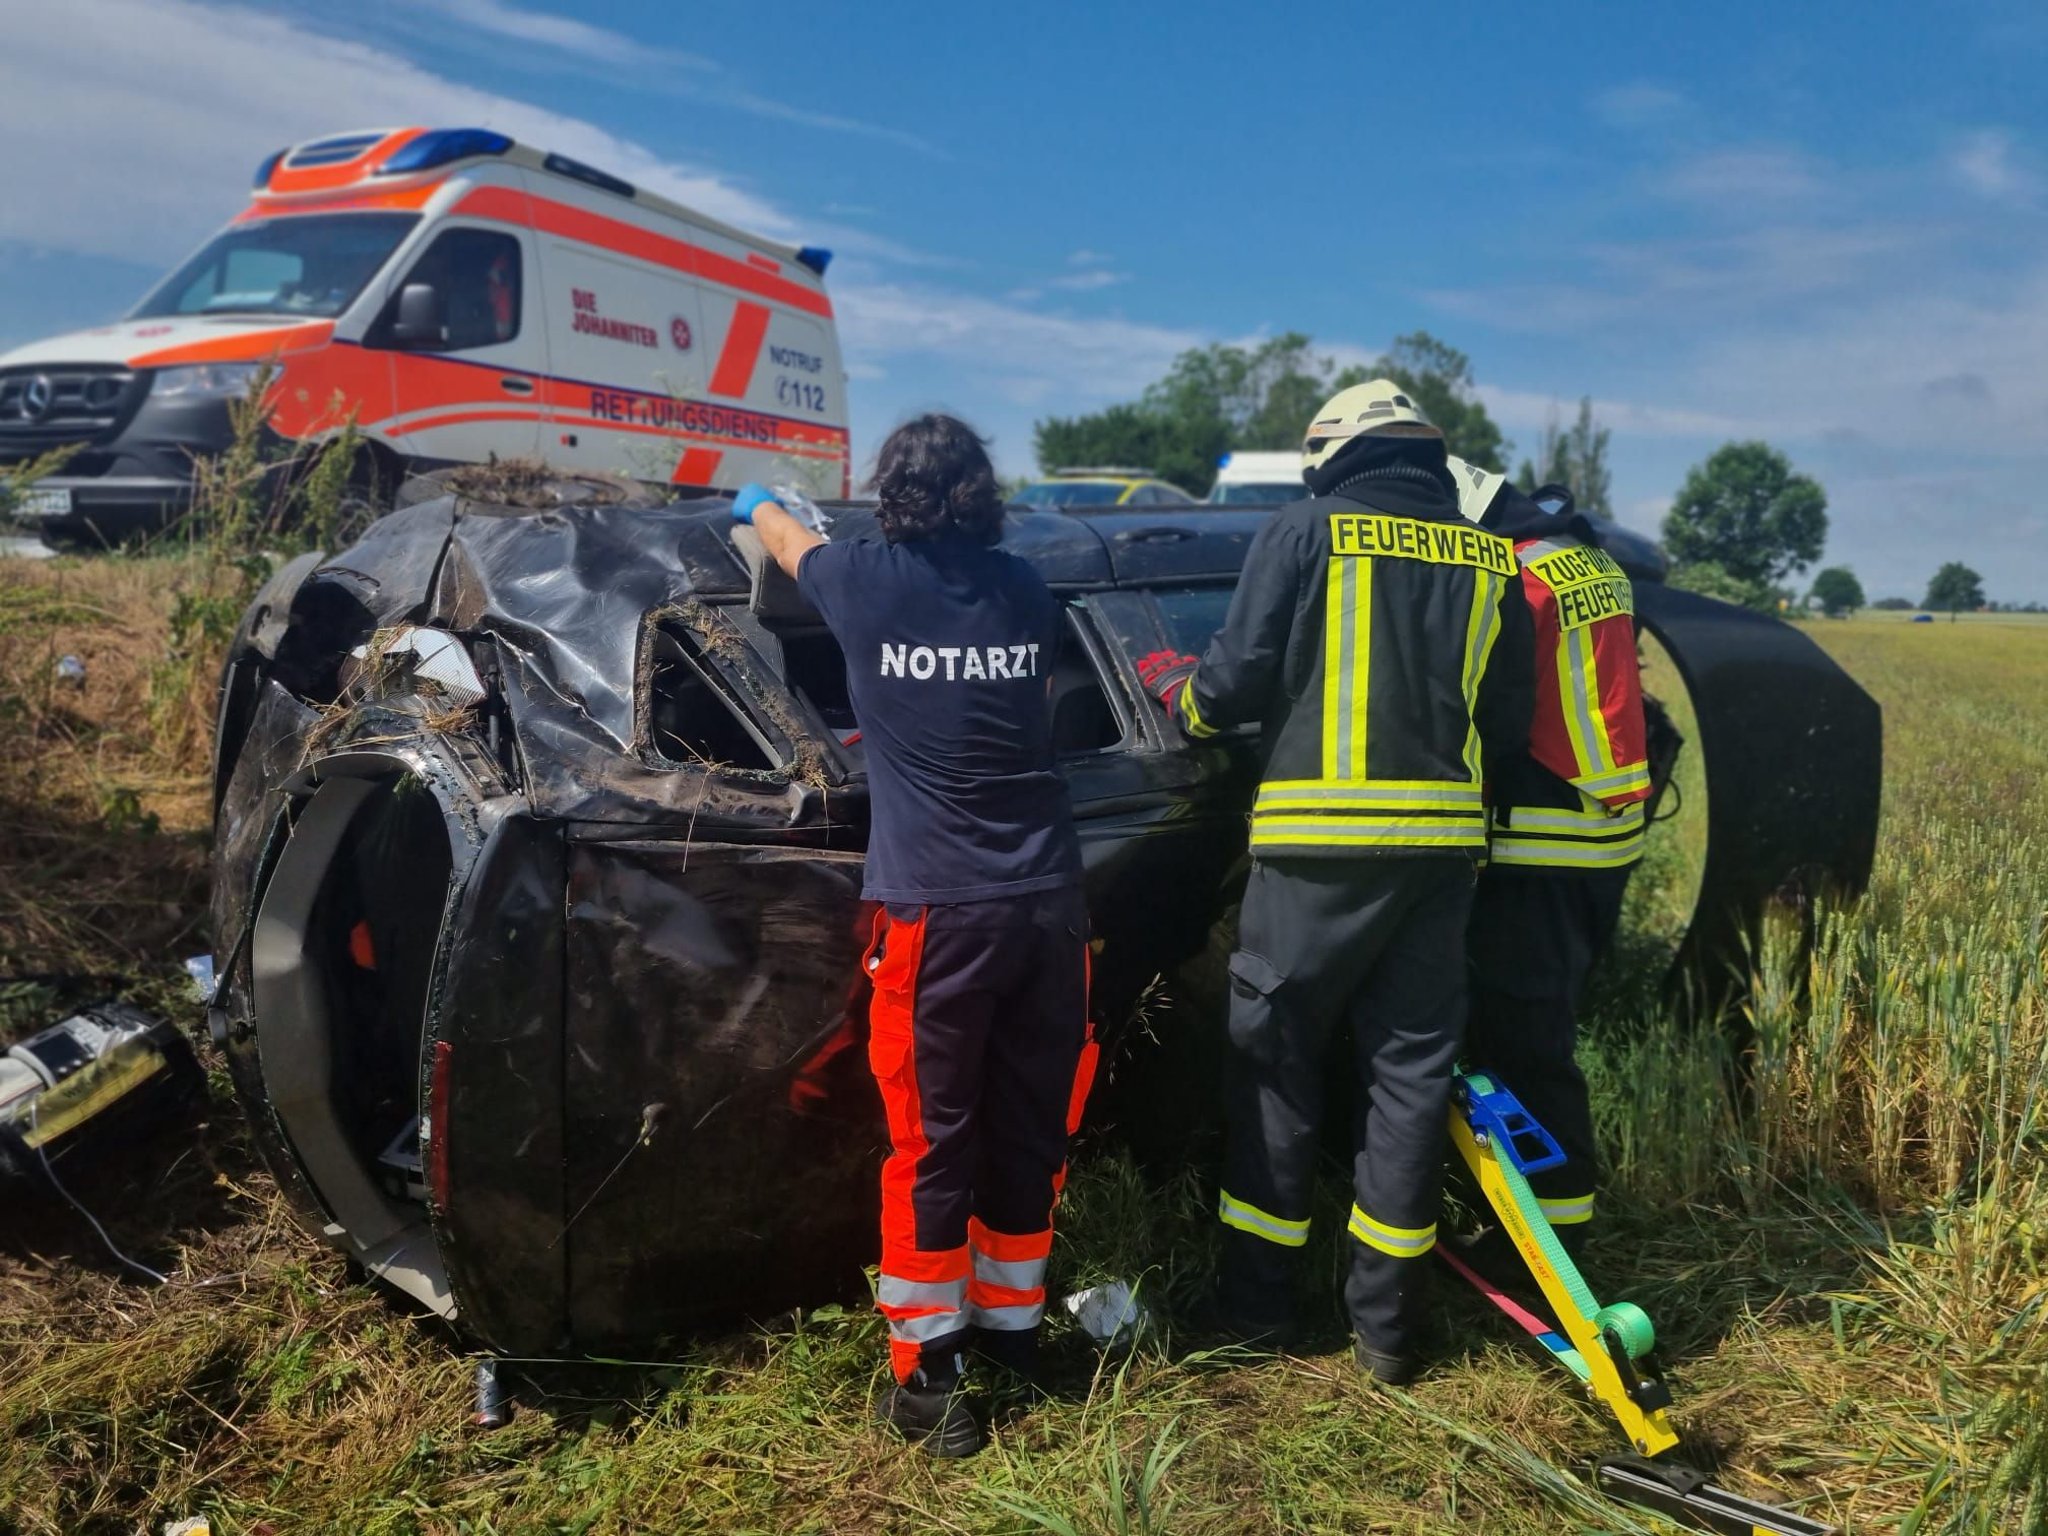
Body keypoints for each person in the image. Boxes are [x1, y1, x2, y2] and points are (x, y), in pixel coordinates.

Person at [1138, 382, 1533, 1383]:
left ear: (1333, 457)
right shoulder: (1493, 559)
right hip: (1441, 857)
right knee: (1407, 1083)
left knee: (1274, 1066)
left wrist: (1181, 708)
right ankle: (1387, 1333)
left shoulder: (1304, 530)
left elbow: (1232, 680)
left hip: (1314, 854)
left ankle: (1258, 1309)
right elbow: (1505, 714)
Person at [731, 414, 1091, 1457]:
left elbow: (788, 545)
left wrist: (756, 500)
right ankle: (1013, 1336)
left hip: (939, 911)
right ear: (981, 492)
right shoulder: (1024, 588)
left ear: (889, 493)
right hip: (1048, 906)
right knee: (1028, 1123)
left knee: (931, 1140)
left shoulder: (861, 579)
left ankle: (928, 1379)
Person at [1446, 458, 1651, 1255]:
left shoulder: (1513, 573)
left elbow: (1490, 706)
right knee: (1543, 1033)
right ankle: (1530, 1214)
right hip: (1604, 832)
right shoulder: (1583, 558)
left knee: (1523, 1047)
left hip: (1543, 835)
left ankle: (1550, 1235)